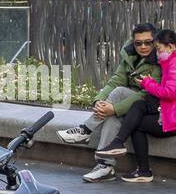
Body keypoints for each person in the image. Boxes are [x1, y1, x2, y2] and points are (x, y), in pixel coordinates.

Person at [95, 30, 176, 183]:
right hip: (175, 114)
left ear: (171, 47)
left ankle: (139, 165)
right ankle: (121, 147)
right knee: (138, 106)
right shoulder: (173, 61)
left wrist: (148, 83)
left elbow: (169, 92)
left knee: (136, 123)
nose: (157, 52)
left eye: (159, 49)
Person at [58, 22, 160, 183]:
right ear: (133, 43)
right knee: (113, 115)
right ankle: (105, 166)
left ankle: (85, 130)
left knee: (118, 95)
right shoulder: (130, 55)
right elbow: (116, 79)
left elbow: (147, 94)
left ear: (155, 42)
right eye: (138, 43)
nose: (143, 46)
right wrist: (100, 100)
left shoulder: (161, 60)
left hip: (154, 106)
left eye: (148, 42)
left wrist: (115, 108)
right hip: (133, 105)